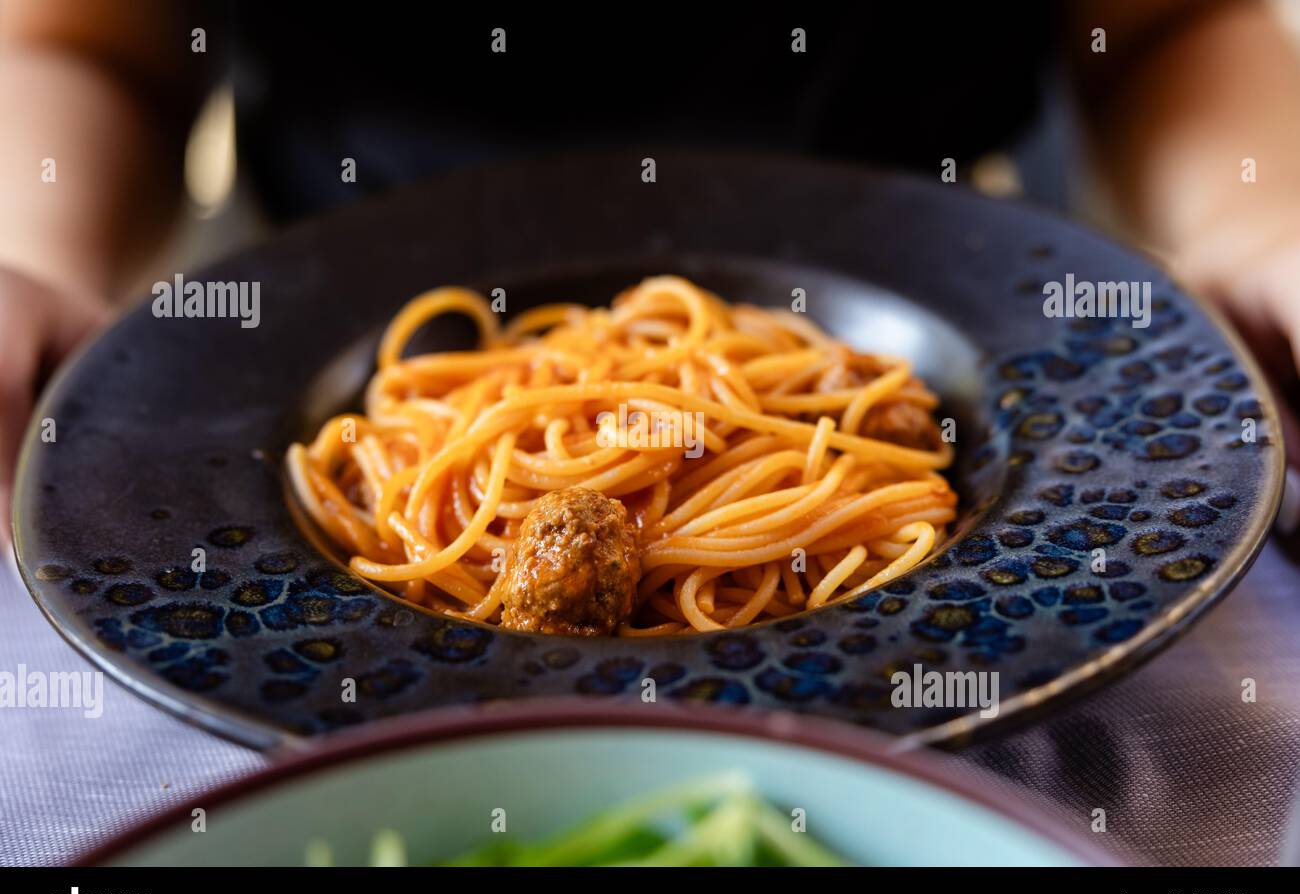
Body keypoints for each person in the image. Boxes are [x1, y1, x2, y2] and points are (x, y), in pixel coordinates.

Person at [3, 1, 1300, 541]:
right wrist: (25, 261)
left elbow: (1170, 21)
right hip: (335, 354)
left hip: (949, 318)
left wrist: (1262, 236)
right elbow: (83, 41)